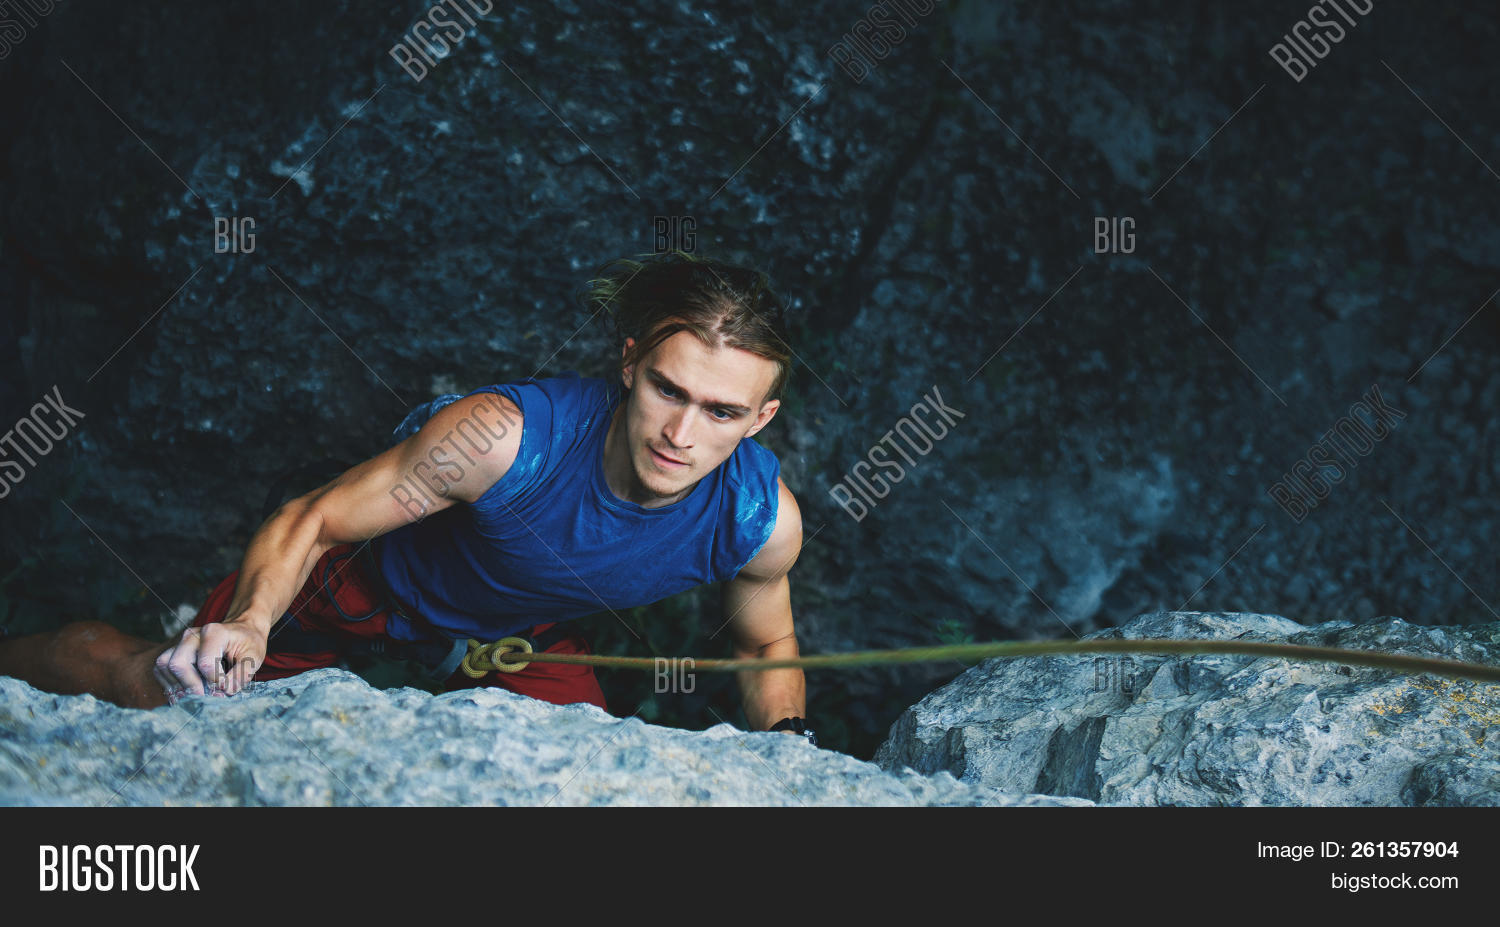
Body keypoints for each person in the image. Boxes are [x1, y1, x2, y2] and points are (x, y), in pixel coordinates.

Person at [0, 250, 812, 738]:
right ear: (631, 363)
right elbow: (313, 518)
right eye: (669, 390)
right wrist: (248, 622)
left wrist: (788, 748)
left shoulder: (756, 521)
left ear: (763, 417)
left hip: (510, 635)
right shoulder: (499, 441)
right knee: (157, 691)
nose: (682, 433)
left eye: (723, 411)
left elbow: (764, 647)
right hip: (353, 587)